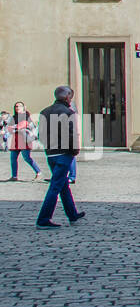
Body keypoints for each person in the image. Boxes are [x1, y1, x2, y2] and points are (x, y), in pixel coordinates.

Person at [35, 87, 83, 229]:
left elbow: (41, 134)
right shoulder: (68, 112)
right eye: (70, 96)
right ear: (67, 97)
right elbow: (70, 134)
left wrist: (48, 147)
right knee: (56, 186)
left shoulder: (45, 111)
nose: (71, 99)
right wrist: (74, 151)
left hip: (51, 153)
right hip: (63, 153)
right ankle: (43, 219)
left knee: (63, 185)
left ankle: (72, 214)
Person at [9, 102, 42, 181]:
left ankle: (39, 173)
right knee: (13, 158)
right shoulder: (13, 117)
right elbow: (9, 128)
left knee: (27, 158)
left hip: (25, 141)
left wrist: (15, 128)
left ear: (24, 107)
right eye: (16, 106)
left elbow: (23, 125)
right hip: (16, 141)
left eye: (19, 106)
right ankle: (14, 176)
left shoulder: (27, 116)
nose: (17, 108)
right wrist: (15, 128)